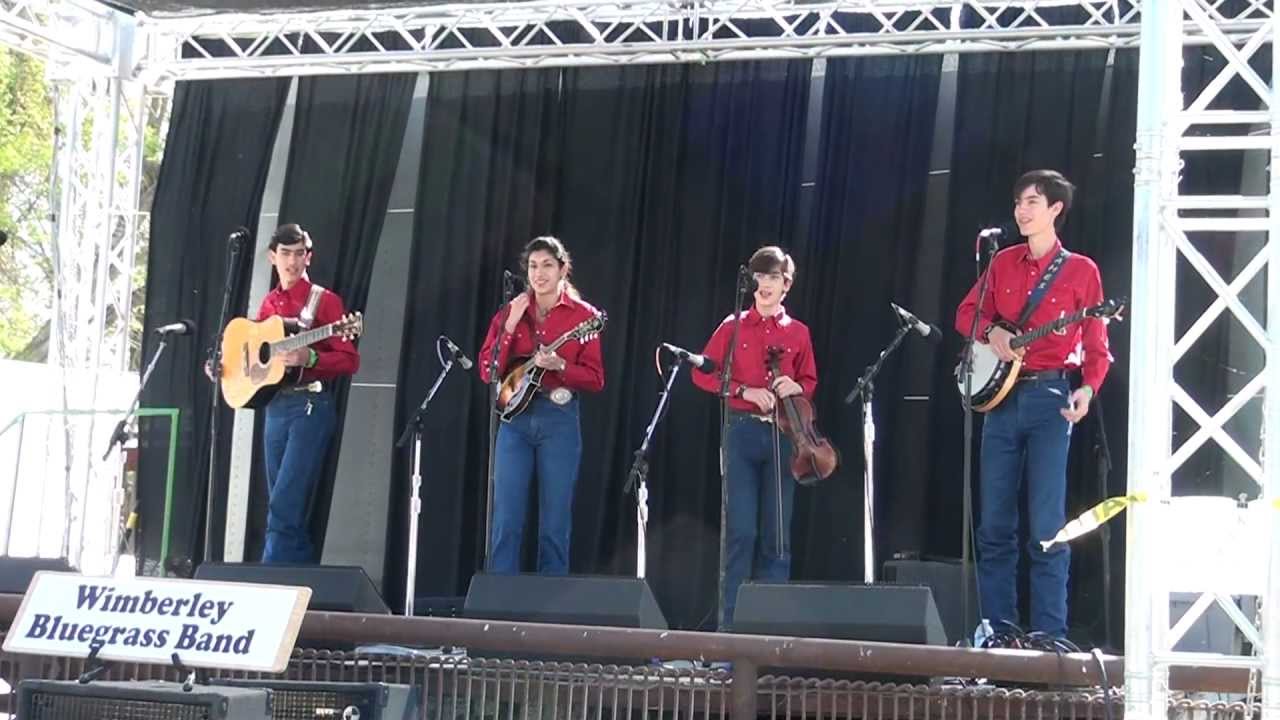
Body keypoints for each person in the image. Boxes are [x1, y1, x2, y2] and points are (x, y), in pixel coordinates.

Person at [955, 169, 1112, 640]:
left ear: (1055, 210)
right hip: (1000, 398)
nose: (1021, 211)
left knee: (1046, 523)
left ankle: (1049, 634)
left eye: (1032, 203)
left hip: (1050, 398)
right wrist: (993, 332)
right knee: (994, 523)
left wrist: (1086, 390)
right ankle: (998, 627)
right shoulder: (1001, 261)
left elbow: (1097, 347)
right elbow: (967, 314)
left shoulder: (1082, 271)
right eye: (1019, 202)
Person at [691, 246, 818, 630]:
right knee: (741, 533)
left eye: (773, 277)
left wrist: (794, 386)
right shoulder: (732, 326)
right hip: (742, 432)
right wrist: (744, 392)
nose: (765, 284)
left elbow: (809, 382)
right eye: (760, 276)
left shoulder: (798, 333)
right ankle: (729, 634)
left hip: (783, 435)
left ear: (787, 285)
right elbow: (703, 373)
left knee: (777, 538)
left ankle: (768, 635)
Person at [478, 236, 604, 575]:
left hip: (558, 418)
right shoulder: (511, 311)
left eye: (547, 265)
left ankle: (548, 610)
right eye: (533, 266)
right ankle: (500, 600)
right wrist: (508, 326)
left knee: (555, 519)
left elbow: (595, 379)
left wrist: (561, 366)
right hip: (514, 421)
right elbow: (486, 369)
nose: (539, 273)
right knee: (506, 517)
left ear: (563, 269)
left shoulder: (584, 317)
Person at [255, 224, 360, 563]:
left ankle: (274, 587)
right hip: (276, 405)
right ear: (273, 257)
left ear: (308, 257)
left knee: (284, 505)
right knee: (283, 507)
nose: (292, 261)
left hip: (311, 404)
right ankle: (301, 590)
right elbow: (260, 356)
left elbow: (350, 359)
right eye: (285, 253)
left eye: (299, 254)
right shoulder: (269, 304)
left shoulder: (324, 301)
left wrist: (310, 356)